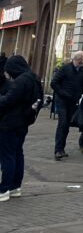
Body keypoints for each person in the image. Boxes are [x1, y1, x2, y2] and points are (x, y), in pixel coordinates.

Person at [0, 55, 41, 200]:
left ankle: (4, 189)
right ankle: (15, 187)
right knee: (17, 154)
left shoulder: (21, 81)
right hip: (23, 122)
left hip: (10, 123)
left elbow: (8, 100)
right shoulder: (34, 79)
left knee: (8, 156)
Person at [51, 51, 83, 160]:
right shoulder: (66, 68)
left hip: (72, 102)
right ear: (79, 59)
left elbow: (80, 84)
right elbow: (54, 83)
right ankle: (57, 150)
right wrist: (62, 93)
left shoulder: (81, 70)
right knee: (62, 123)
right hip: (62, 101)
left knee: (66, 125)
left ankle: (62, 149)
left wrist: (81, 91)